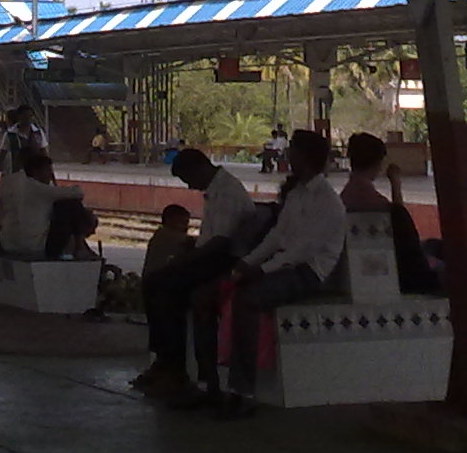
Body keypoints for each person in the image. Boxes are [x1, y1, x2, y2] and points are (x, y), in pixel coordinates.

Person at [187, 129, 345, 418]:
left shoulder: (327, 201)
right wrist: (246, 264)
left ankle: (242, 391)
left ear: (306, 158)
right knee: (204, 296)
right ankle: (207, 383)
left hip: (309, 273)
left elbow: (301, 252)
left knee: (247, 299)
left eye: (293, 151)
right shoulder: (297, 194)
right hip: (282, 264)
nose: (288, 156)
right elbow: (276, 237)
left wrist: (257, 270)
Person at [132, 148, 254, 402]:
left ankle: (175, 368)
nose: (189, 186)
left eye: (187, 179)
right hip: (215, 254)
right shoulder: (216, 190)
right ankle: (164, 359)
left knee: (167, 288)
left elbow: (221, 241)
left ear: (198, 169)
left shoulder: (227, 192)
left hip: (226, 258)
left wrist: (185, 260)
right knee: (154, 282)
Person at [341, 131, 440, 294]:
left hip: (361, 261)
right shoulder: (373, 200)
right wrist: (396, 184)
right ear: (378, 163)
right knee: (439, 250)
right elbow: (401, 223)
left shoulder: (346, 195)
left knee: (433, 245)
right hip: (396, 266)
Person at [0, 150, 96, 261]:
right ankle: (80, 248)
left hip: (7, 243)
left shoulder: (5, 182)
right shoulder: (39, 188)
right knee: (69, 204)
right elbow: (78, 192)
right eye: (48, 171)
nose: (50, 176)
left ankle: (81, 247)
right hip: (35, 246)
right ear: (37, 171)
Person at [141, 203, 195, 283]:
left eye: (186, 223)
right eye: (182, 222)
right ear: (169, 220)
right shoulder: (167, 235)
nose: (186, 227)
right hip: (158, 285)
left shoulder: (160, 234)